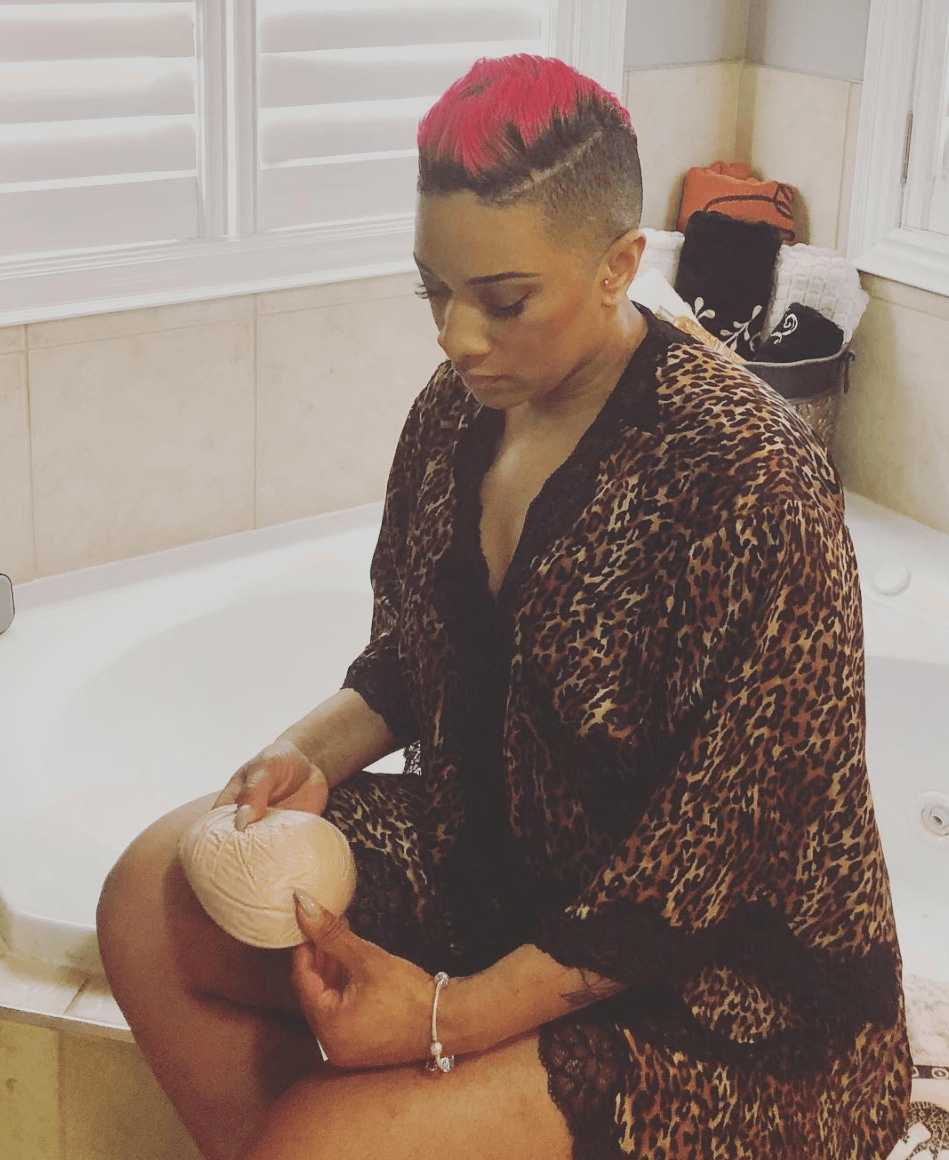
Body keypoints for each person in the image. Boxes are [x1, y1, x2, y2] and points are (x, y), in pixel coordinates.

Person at [96, 53, 913, 1160]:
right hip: (497, 876)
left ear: (620, 264)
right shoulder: (458, 412)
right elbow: (412, 659)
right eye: (432, 289)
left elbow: (699, 874)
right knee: (151, 900)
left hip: (724, 1000)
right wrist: (304, 752)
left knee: (320, 1143)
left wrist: (444, 1019)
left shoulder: (747, 483)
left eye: (503, 300)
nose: (455, 337)